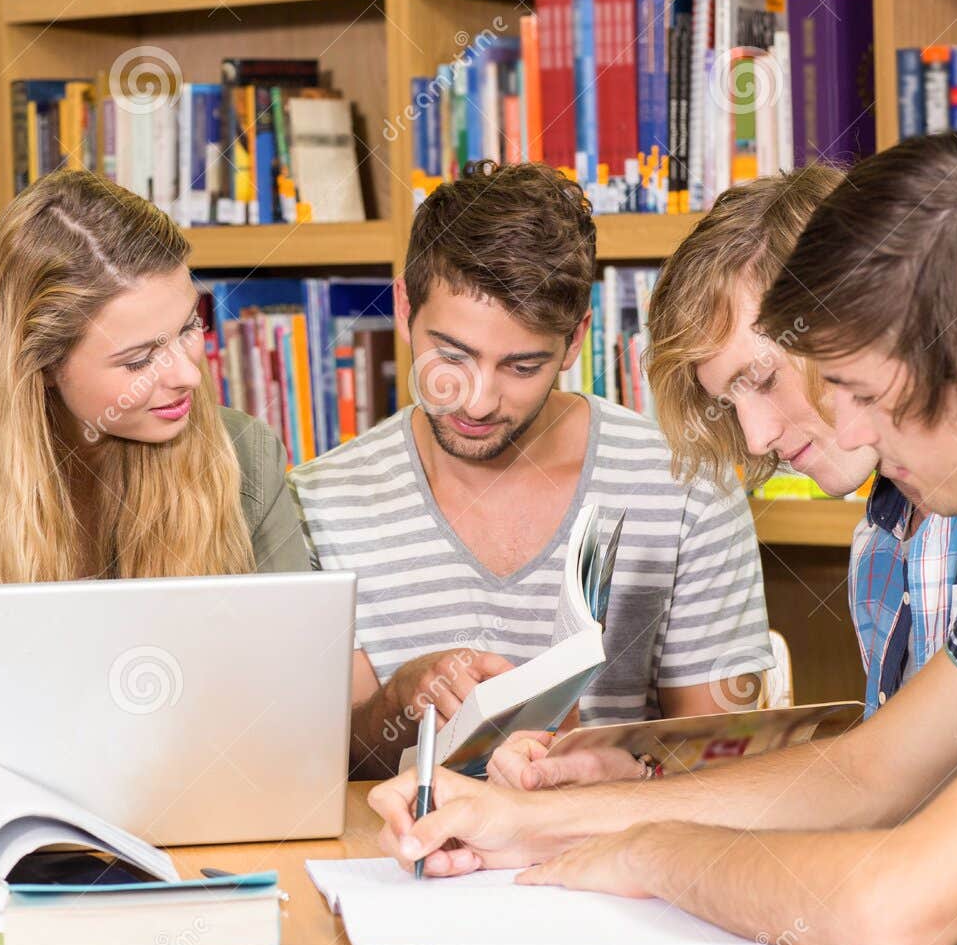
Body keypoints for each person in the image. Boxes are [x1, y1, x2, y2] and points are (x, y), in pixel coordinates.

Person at [371, 130, 957, 945]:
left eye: (860, 389)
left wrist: (652, 849)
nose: (839, 424)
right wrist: (527, 822)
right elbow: (866, 772)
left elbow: (892, 906)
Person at [288, 161, 774, 781]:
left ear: (575, 342)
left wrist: (608, 765)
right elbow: (333, 769)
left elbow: (724, 765)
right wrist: (400, 702)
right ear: (405, 305)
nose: (477, 401)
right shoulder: (318, 504)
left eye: (521, 367)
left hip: (612, 862)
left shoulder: (688, 485)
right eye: (452, 354)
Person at [0, 171, 311, 797]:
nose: (187, 377)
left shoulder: (246, 456)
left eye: (188, 329)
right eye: (140, 359)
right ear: (39, 366)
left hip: (194, 821)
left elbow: (293, 716)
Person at [648, 165, 957, 721]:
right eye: (730, 407)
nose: (758, 440)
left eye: (763, 380)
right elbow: (892, 774)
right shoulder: (877, 549)